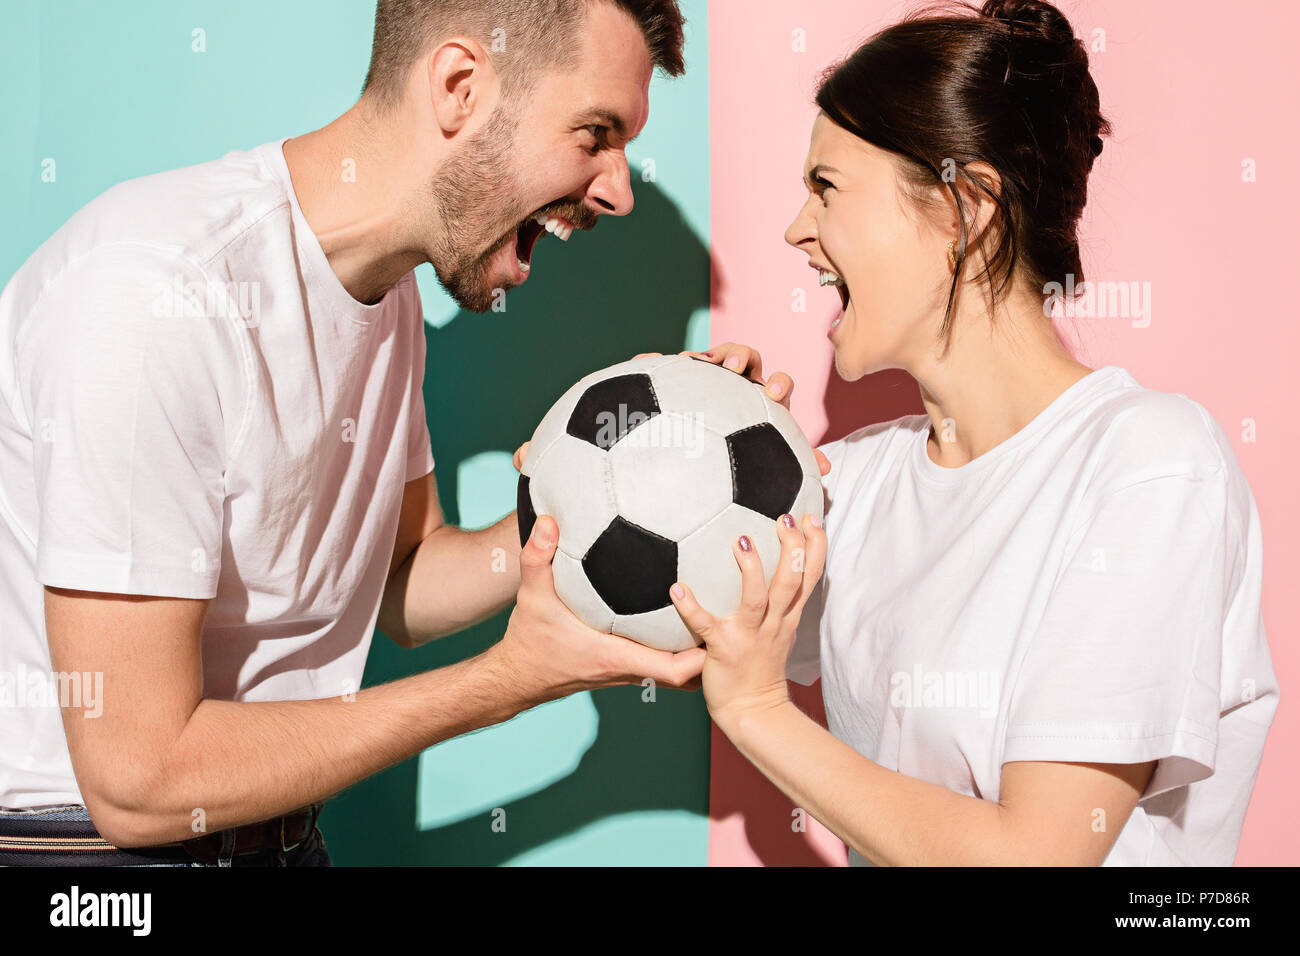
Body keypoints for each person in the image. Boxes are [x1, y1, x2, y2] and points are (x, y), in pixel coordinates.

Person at [0, 0, 729, 866]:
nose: (618, 189)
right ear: (461, 86)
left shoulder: (392, 298)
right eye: (594, 133)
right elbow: (138, 780)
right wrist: (506, 684)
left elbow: (402, 583)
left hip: (280, 839)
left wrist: (611, 478)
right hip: (84, 862)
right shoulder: (154, 297)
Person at [679, 0, 1279, 865]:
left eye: (827, 187)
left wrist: (758, 713)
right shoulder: (850, 485)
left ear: (966, 208)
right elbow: (659, 610)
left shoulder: (1151, 466)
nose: (795, 228)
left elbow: (1036, 855)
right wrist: (680, 441)